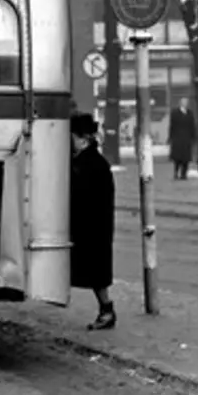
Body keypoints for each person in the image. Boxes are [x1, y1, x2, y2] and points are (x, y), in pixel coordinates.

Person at [69, 111, 116, 331]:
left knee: (96, 273)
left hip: (92, 227)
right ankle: (106, 310)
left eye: (73, 138)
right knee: (95, 272)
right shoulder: (88, 161)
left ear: (83, 139)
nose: (70, 142)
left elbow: (85, 195)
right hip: (91, 226)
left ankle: (107, 311)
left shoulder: (92, 164)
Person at [168, 97, 197, 180]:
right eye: (184, 102)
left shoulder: (190, 113)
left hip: (187, 138)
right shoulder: (175, 113)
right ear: (180, 103)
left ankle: (184, 174)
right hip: (178, 138)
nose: (185, 104)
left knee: (186, 158)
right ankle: (176, 172)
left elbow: (192, 126)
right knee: (177, 158)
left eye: (186, 102)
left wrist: (193, 136)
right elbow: (172, 126)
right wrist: (171, 137)